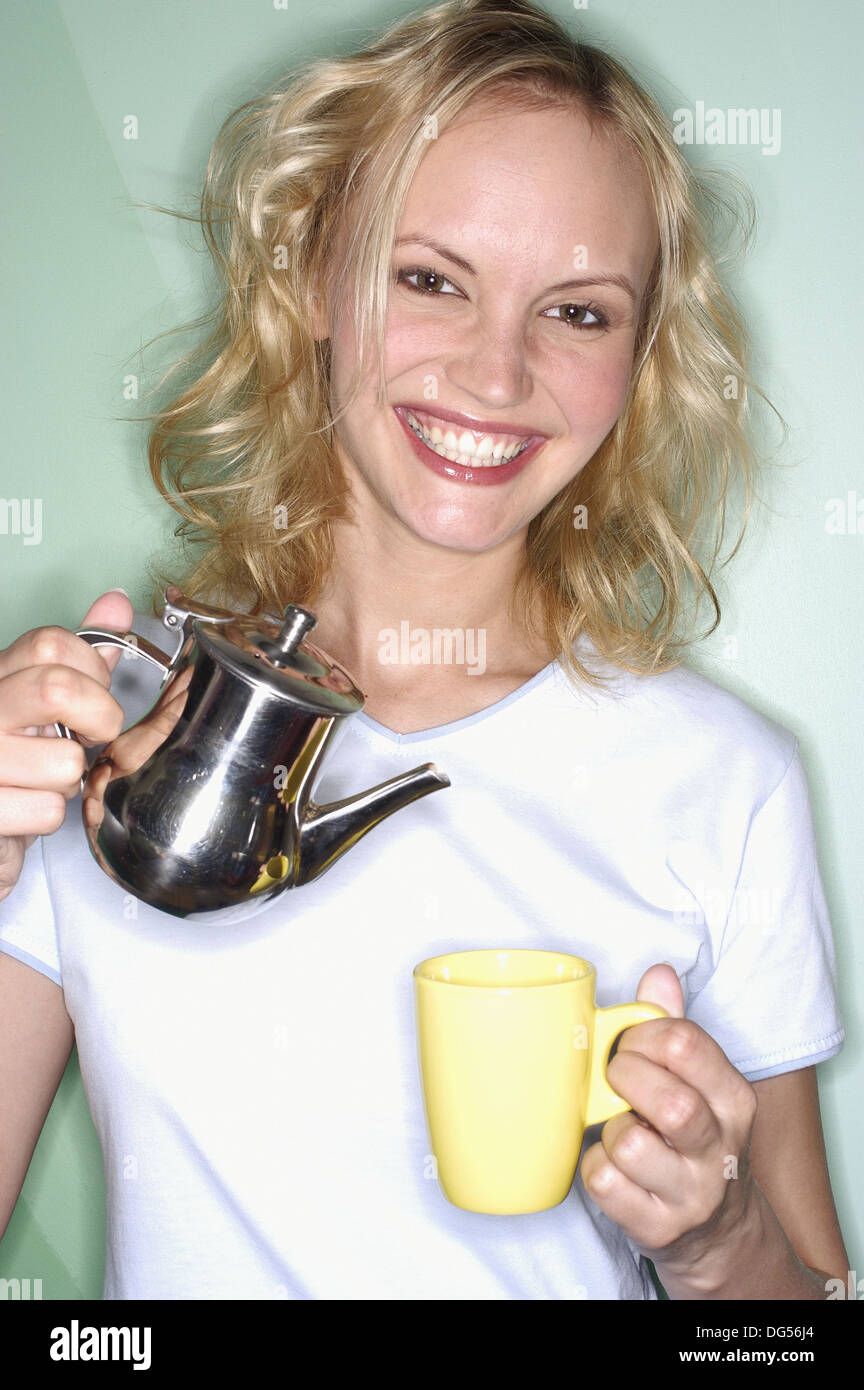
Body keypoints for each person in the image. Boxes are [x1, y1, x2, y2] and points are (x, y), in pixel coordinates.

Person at [0, 0, 849, 1300]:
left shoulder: (725, 779)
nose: (496, 372)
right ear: (314, 274)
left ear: (642, 357)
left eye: (577, 312)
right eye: (430, 278)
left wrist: (718, 1241)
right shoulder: (102, 728)